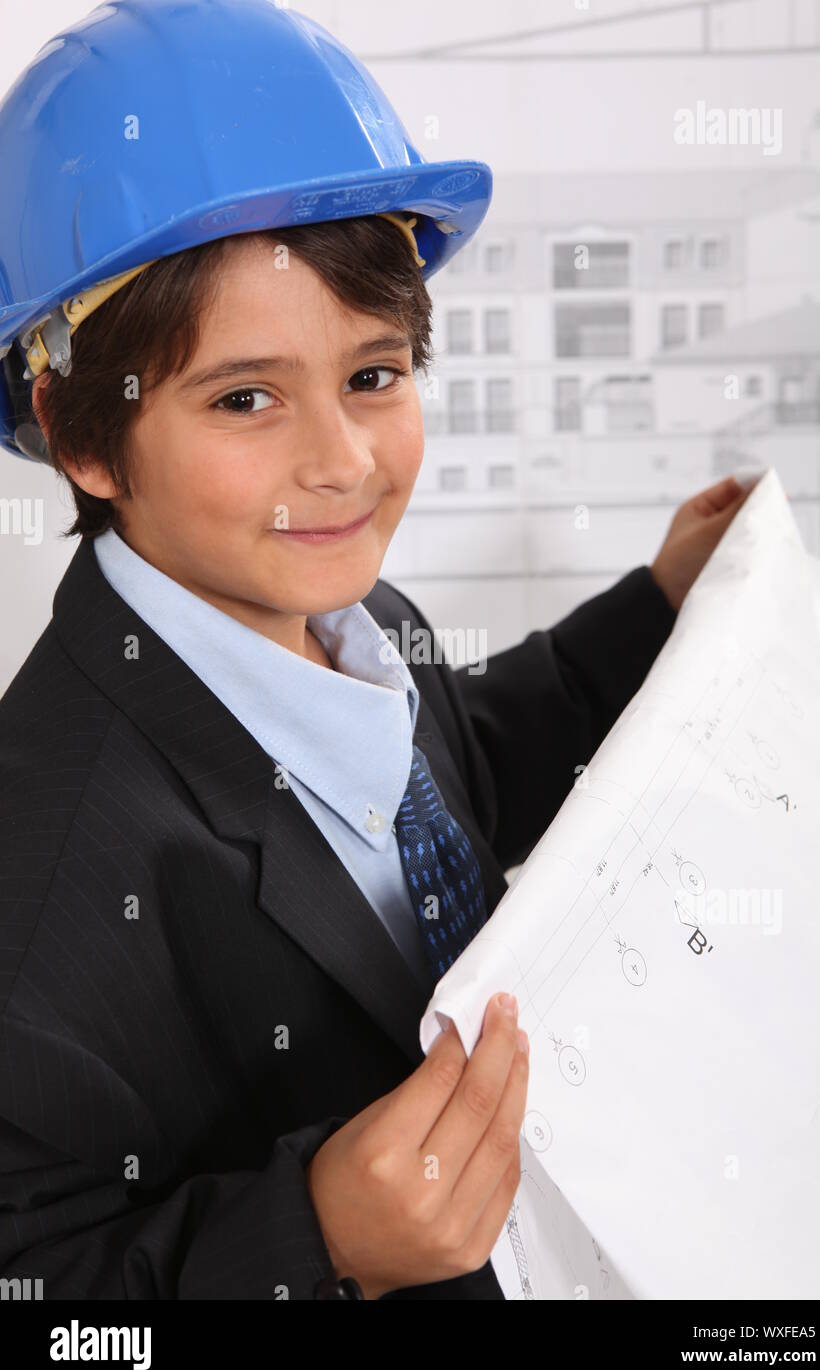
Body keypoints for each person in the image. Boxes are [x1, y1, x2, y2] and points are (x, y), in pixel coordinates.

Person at [0, 0, 750, 1300]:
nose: (341, 461)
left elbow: (463, 754)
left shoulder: (349, 617)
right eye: (244, 397)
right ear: (81, 434)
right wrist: (316, 1241)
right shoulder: (45, 884)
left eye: (374, 373)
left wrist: (656, 600)